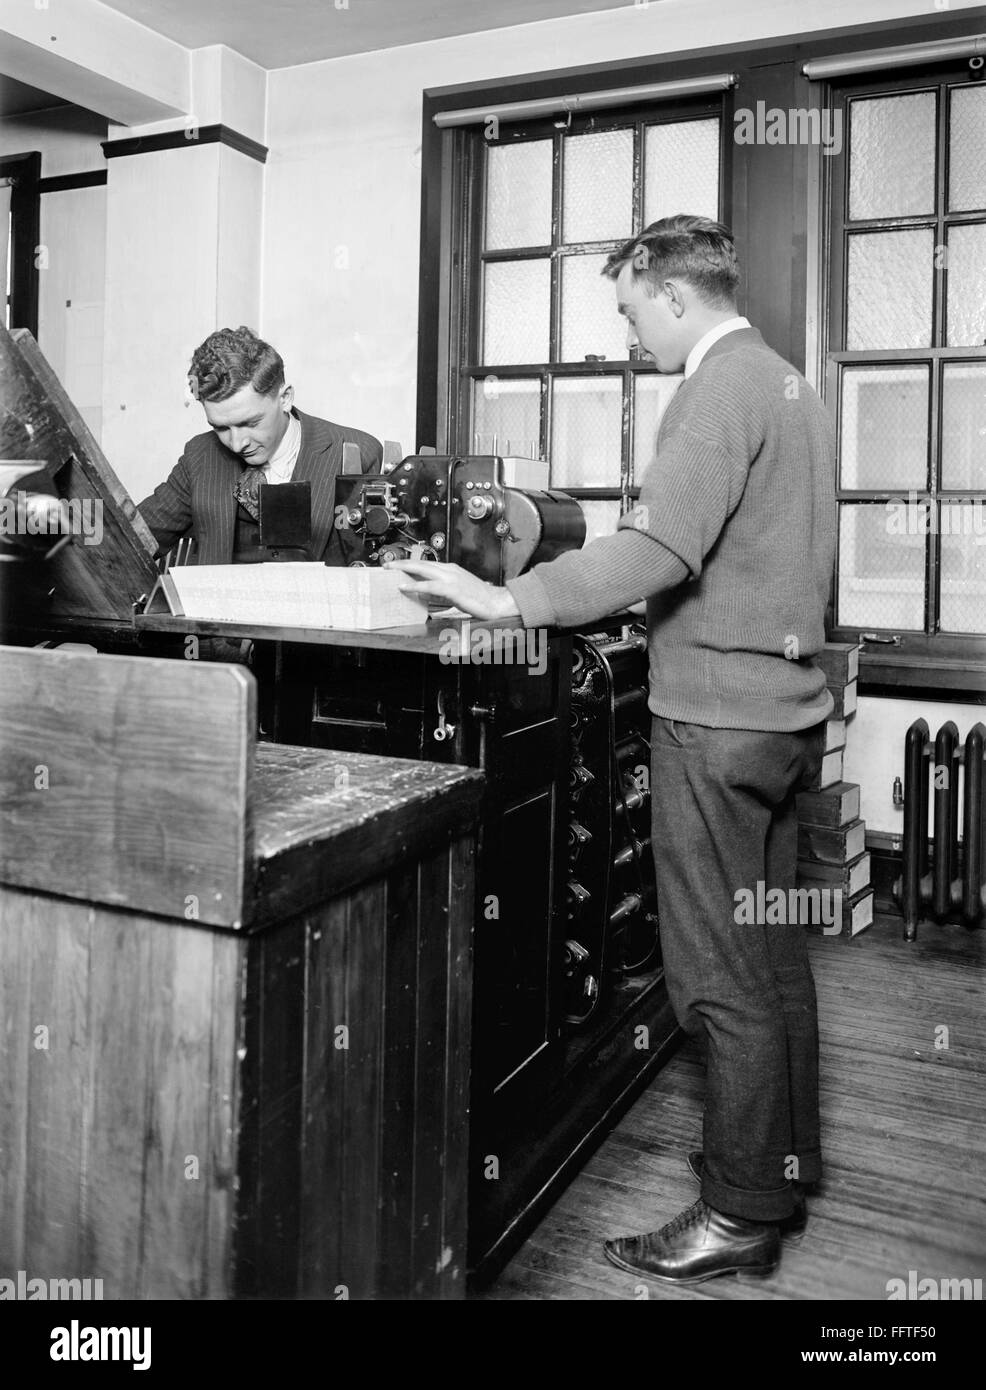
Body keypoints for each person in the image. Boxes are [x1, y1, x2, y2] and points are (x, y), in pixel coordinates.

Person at [388, 215, 836, 1286]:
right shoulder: (785, 383)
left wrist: (511, 595)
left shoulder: (714, 389)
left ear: (670, 292)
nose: (624, 329)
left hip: (715, 727)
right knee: (770, 958)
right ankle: (778, 1167)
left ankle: (735, 1213)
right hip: (781, 721)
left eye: (627, 306)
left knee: (712, 979)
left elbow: (657, 548)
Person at [137, 326, 382, 566]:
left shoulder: (356, 451)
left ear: (285, 398)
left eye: (250, 423)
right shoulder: (199, 455)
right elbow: (137, 537)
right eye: (221, 428)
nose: (237, 443)